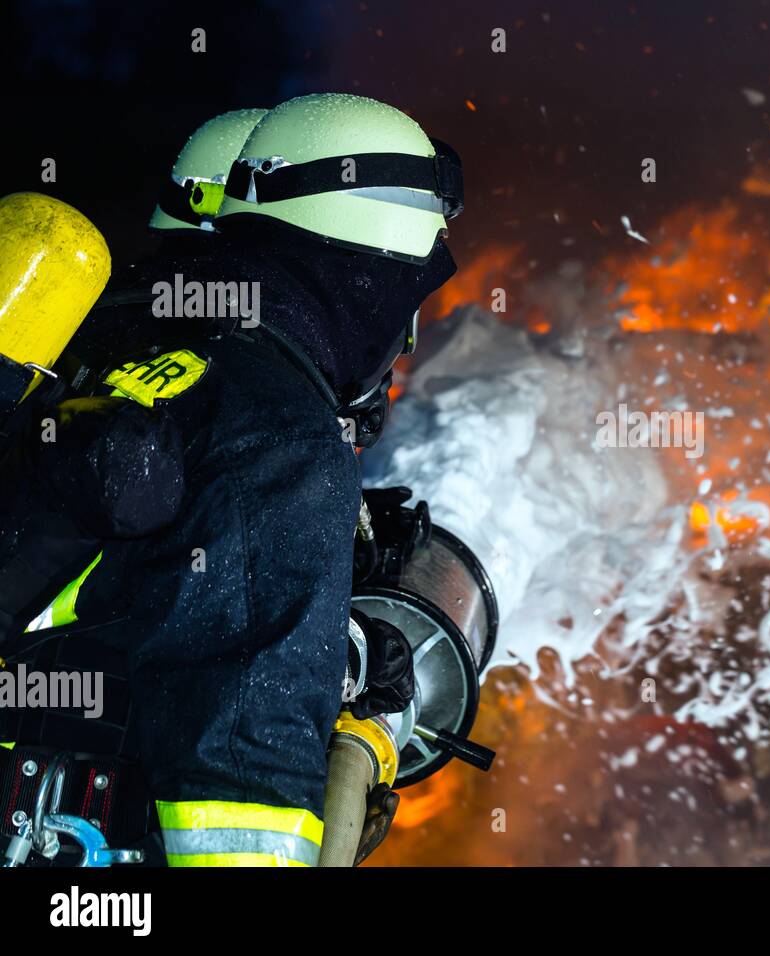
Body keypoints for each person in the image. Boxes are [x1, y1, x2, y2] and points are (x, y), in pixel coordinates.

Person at [0, 92, 462, 866]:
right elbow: (239, 803)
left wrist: (328, 645)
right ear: (370, 275)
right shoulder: (281, 436)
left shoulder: (130, 356)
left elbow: (122, 597)